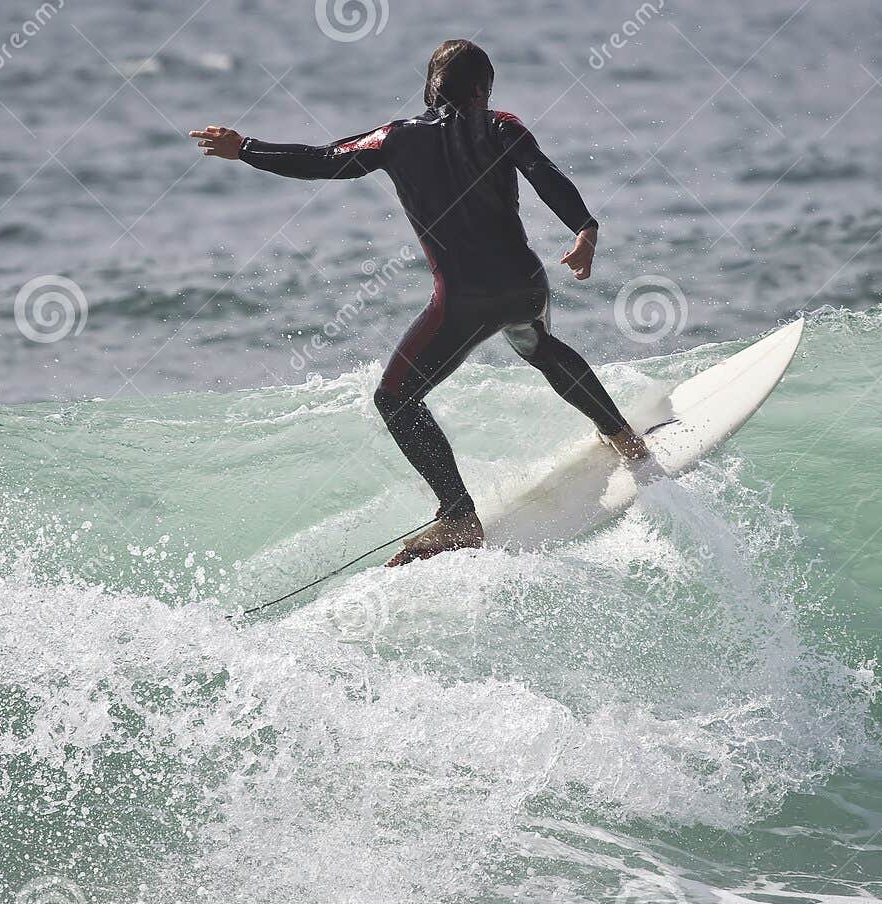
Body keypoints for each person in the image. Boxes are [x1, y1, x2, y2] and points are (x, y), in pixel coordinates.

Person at [191, 39, 648, 565]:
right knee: (539, 345)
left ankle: (458, 516)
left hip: (463, 303)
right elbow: (544, 173)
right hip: (525, 285)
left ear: (429, 89)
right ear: (482, 91)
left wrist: (246, 148)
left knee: (395, 399)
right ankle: (624, 438)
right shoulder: (502, 126)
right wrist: (584, 228)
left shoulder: (395, 139)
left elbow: (323, 161)